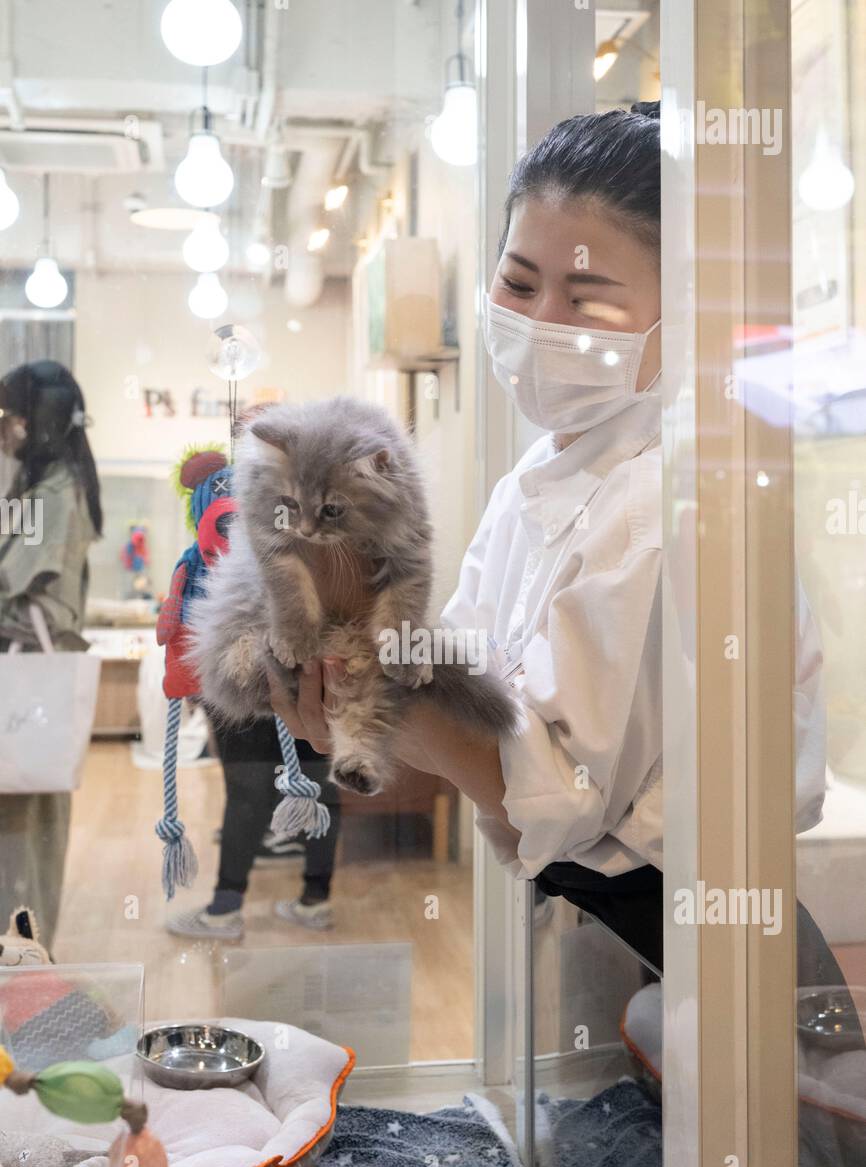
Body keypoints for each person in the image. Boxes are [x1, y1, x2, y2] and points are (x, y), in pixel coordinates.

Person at [267, 103, 847, 996]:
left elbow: (553, 786)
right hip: (586, 921)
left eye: (587, 297)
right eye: (518, 280)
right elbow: (463, 691)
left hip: (696, 946)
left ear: (685, 309)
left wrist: (381, 713)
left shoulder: (672, 499)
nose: (541, 319)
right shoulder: (540, 475)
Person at [0, 360, 103, 951]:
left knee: (25, 837)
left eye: (13, 413)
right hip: (27, 682)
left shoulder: (58, 493)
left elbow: (26, 594)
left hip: (27, 687)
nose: (7, 427)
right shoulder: (45, 485)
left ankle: (26, 968)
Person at [166, 719, 342, 942]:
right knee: (317, 783)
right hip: (315, 688)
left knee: (246, 789)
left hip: (246, 691)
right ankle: (315, 900)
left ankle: (224, 910)